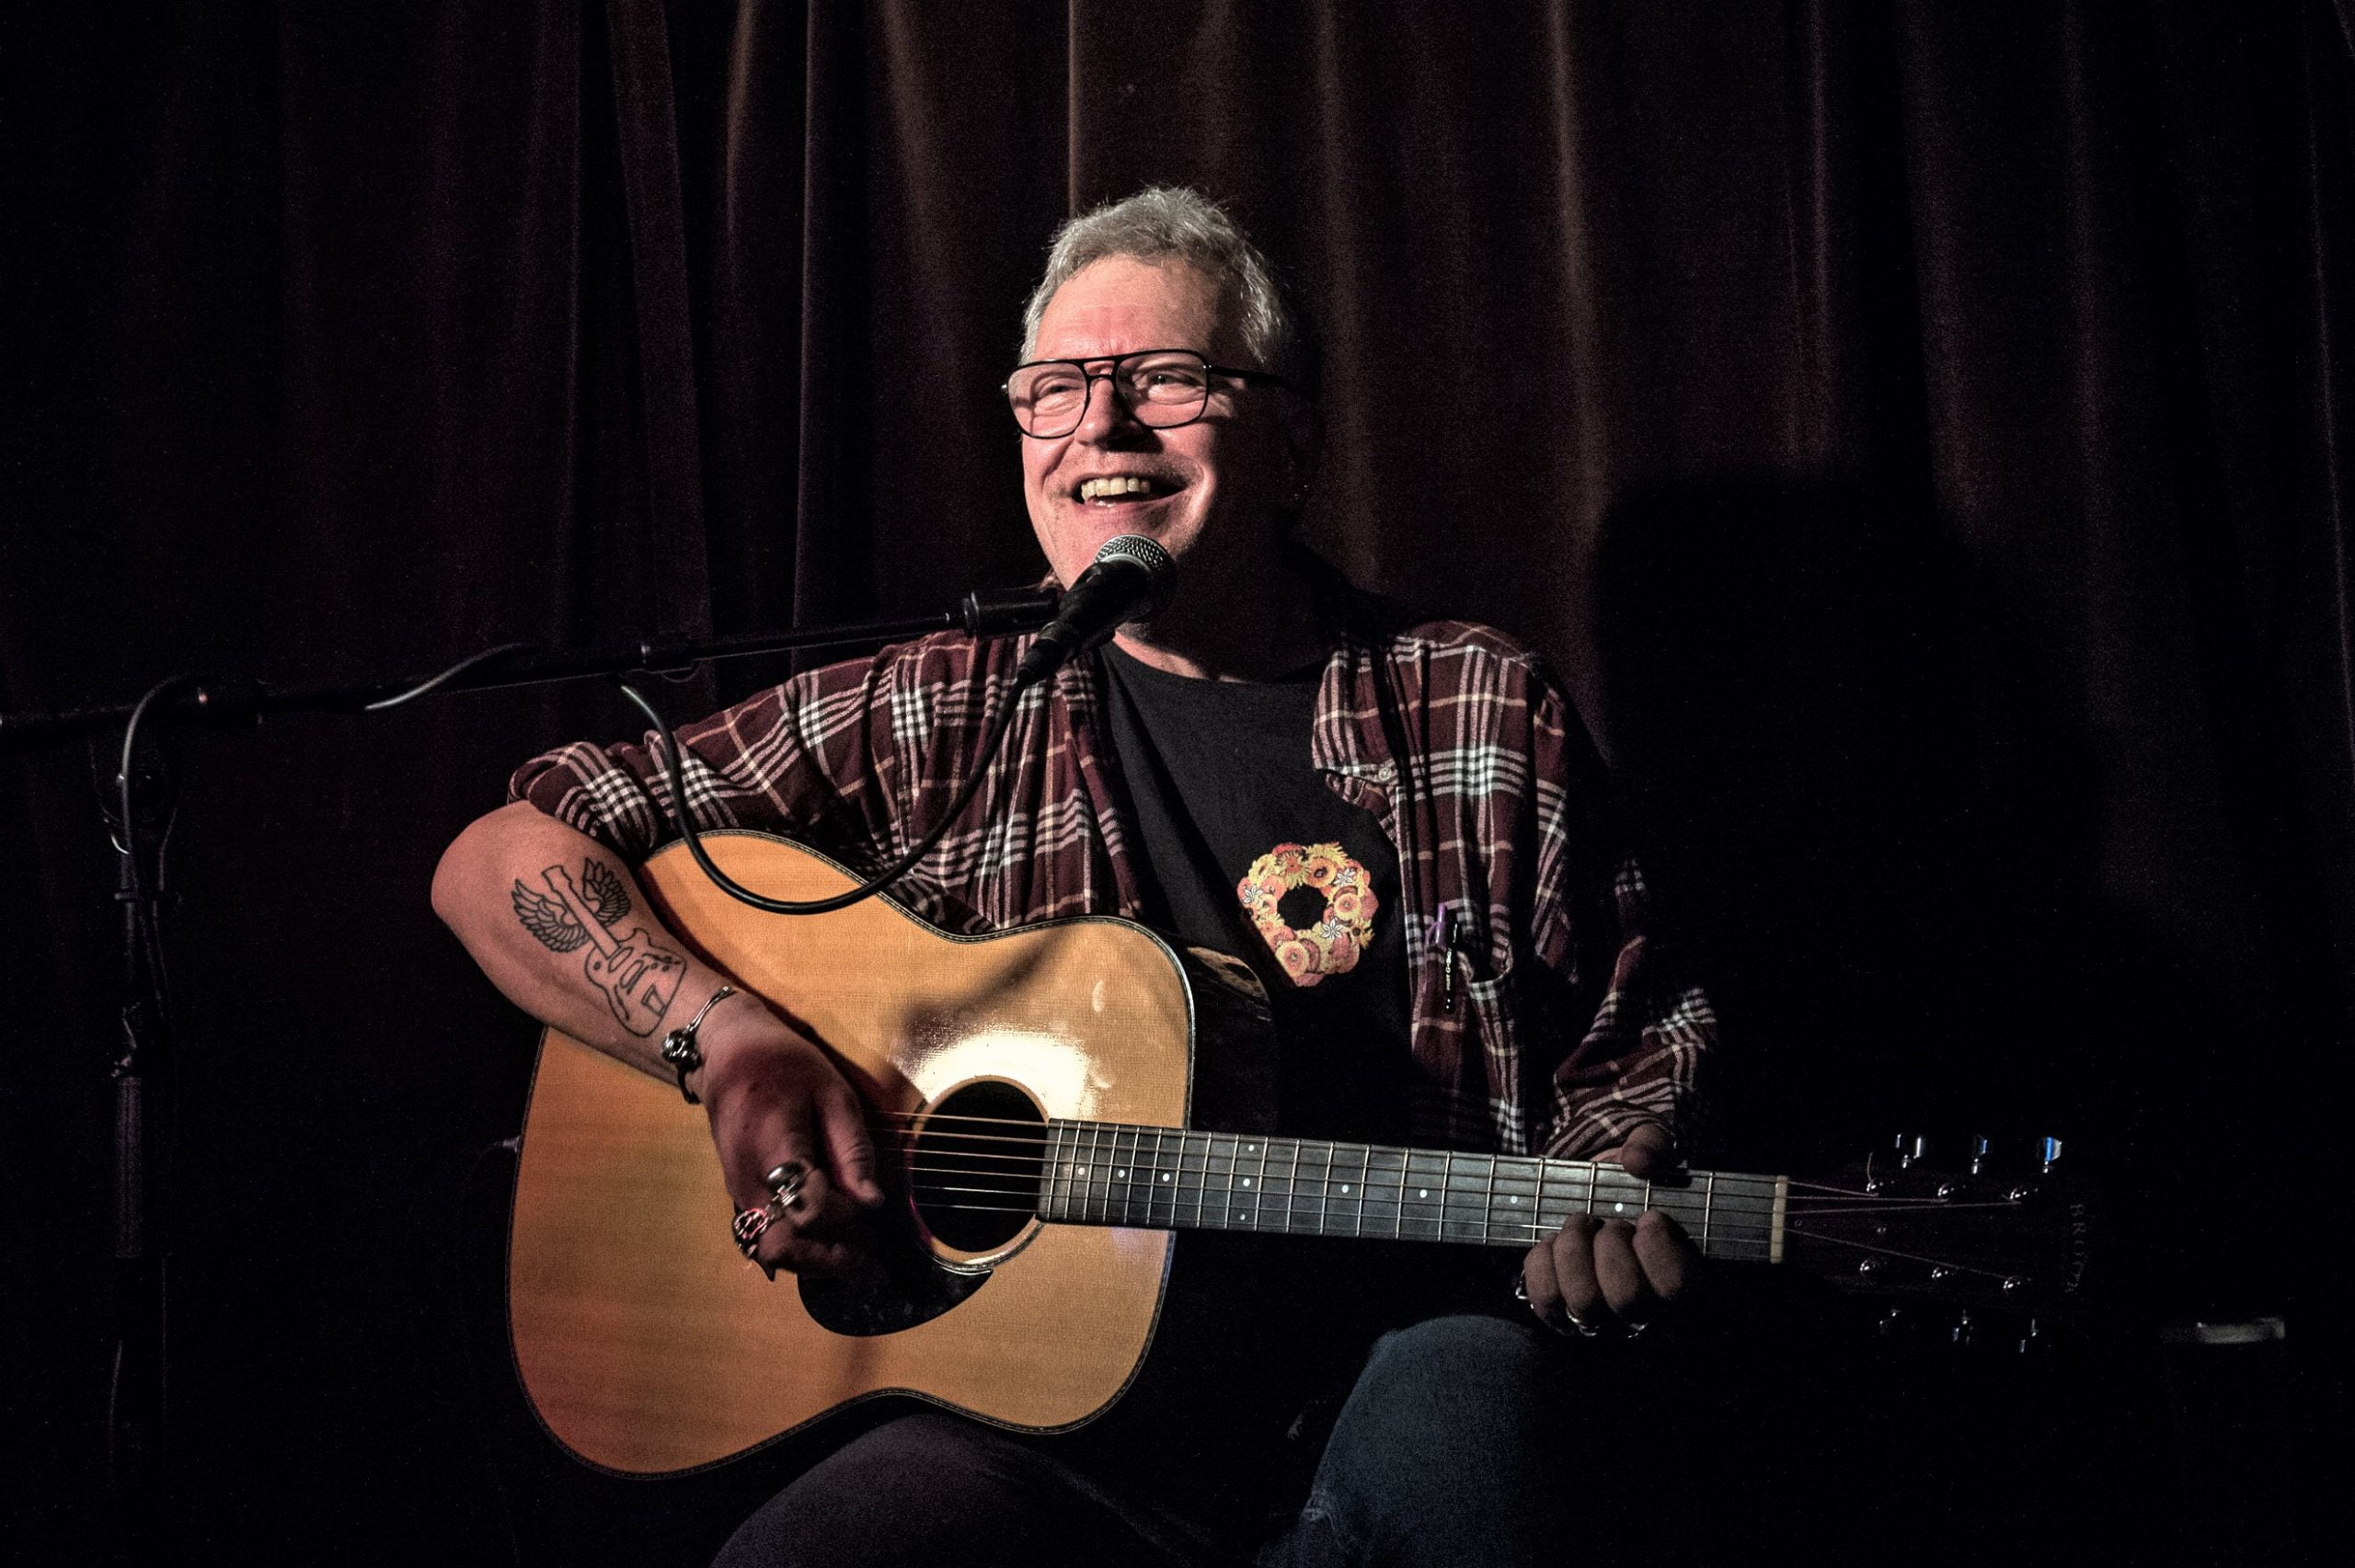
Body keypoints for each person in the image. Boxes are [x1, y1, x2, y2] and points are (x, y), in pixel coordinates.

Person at [432, 188, 1719, 1567]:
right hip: (1033, 1431)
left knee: (1481, 1431)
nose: (1101, 427)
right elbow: (500, 857)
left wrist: (1618, 1178)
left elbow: (1636, 1052)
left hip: (1395, 1367)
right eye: (1056, 389)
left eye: (1167, 380)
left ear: (1291, 443)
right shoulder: (943, 706)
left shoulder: (1475, 705)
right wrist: (726, 1038)